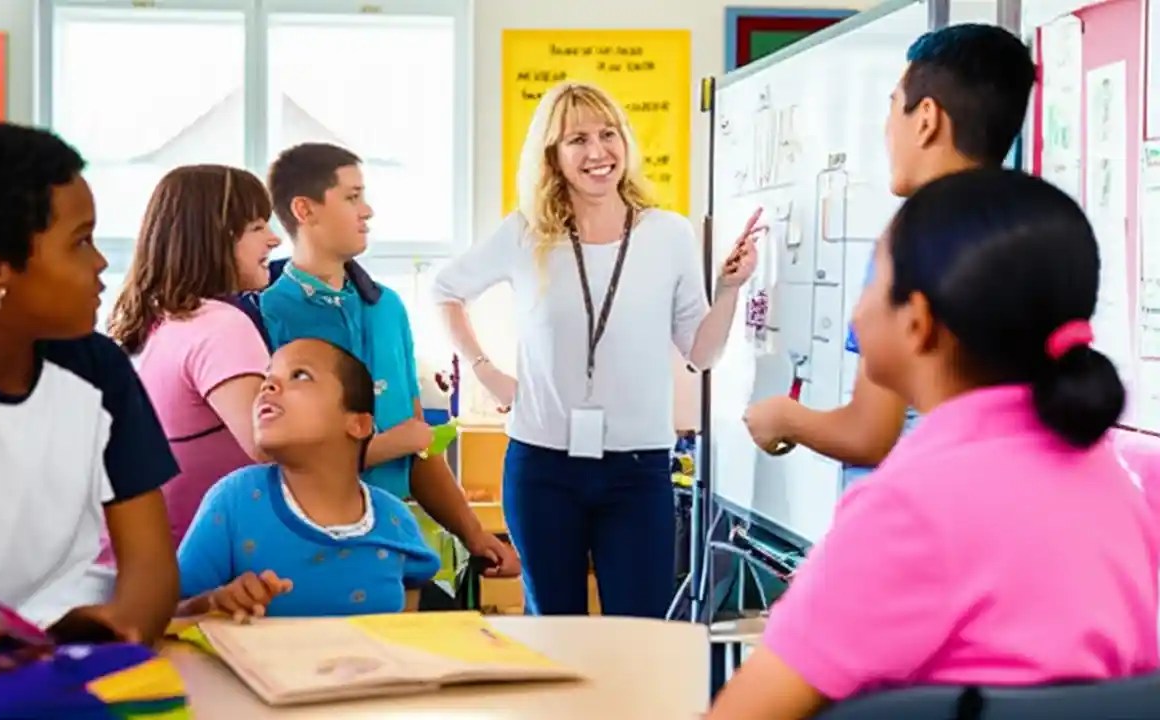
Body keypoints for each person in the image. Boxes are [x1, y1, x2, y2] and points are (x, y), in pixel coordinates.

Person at [708, 169, 1160, 719]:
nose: (857, 310)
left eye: (873, 281)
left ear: (918, 323)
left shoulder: (906, 508)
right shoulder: (1118, 485)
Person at [432, 82, 760, 618]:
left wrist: (729, 290)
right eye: (577, 139)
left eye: (608, 134)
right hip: (542, 467)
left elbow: (701, 354)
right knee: (555, 632)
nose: (597, 152)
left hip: (638, 470)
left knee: (640, 632)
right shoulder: (526, 233)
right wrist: (486, 372)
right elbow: (445, 290)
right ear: (553, 157)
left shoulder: (668, 234)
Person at [0, 123, 180, 653]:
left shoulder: (101, 372)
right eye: (80, 241)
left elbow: (151, 569)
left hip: (79, 652)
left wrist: (123, 624)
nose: (101, 262)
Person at [742, 24, 1036, 487]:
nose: (886, 129)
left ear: (926, 119)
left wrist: (783, 417)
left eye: (893, 107)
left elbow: (870, 434)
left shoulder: (911, 244)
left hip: (912, 523)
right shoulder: (1031, 233)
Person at [260, 142, 519, 578]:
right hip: (302, 555)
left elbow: (419, 448)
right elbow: (274, 462)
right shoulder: (269, 312)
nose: (368, 211)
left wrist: (475, 535)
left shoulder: (388, 308)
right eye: (352, 196)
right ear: (304, 210)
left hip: (388, 546)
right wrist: (394, 442)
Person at [176, 338, 440, 619]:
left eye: (300, 375)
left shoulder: (395, 519)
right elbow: (169, 616)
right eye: (267, 378)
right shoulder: (233, 501)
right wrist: (213, 604)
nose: (267, 386)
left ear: (358, 424)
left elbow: (409, 627)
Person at [106, 165, 281, 548]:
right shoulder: (220, 325)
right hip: (196, 567)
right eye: (257, 227)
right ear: (214, 238)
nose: (275, 239)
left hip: (142, 554)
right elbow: (271, 445)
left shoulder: (156, 323)